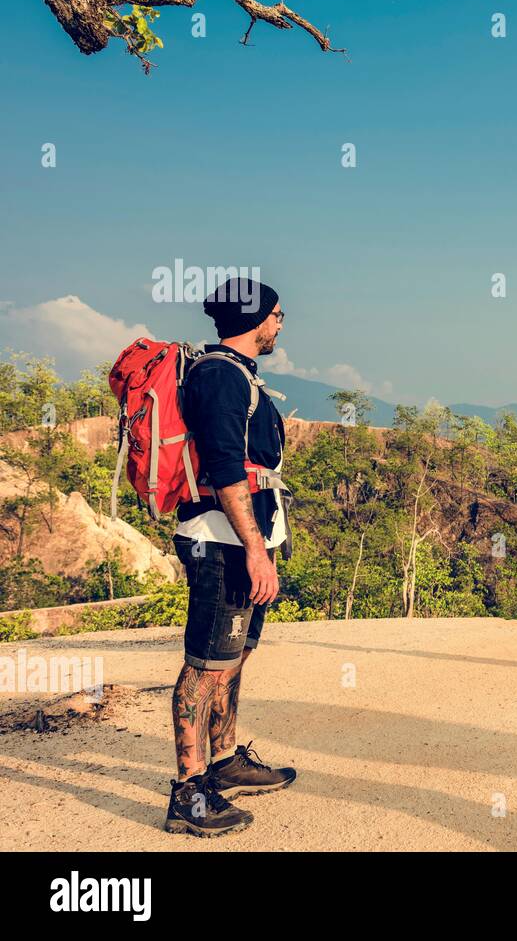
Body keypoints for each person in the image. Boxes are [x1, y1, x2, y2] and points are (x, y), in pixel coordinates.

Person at [164, 277, 298, 837]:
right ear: (256, 319)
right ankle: (189, 793)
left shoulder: (240, 375)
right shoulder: (220, 376)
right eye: (276, 313)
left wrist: (264, 545)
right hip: (221, 541)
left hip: (244, 540)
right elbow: (224, 469)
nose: (281, 323)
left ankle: (223, 763)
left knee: (235, 656)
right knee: (205, 665)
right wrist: (253, 550)